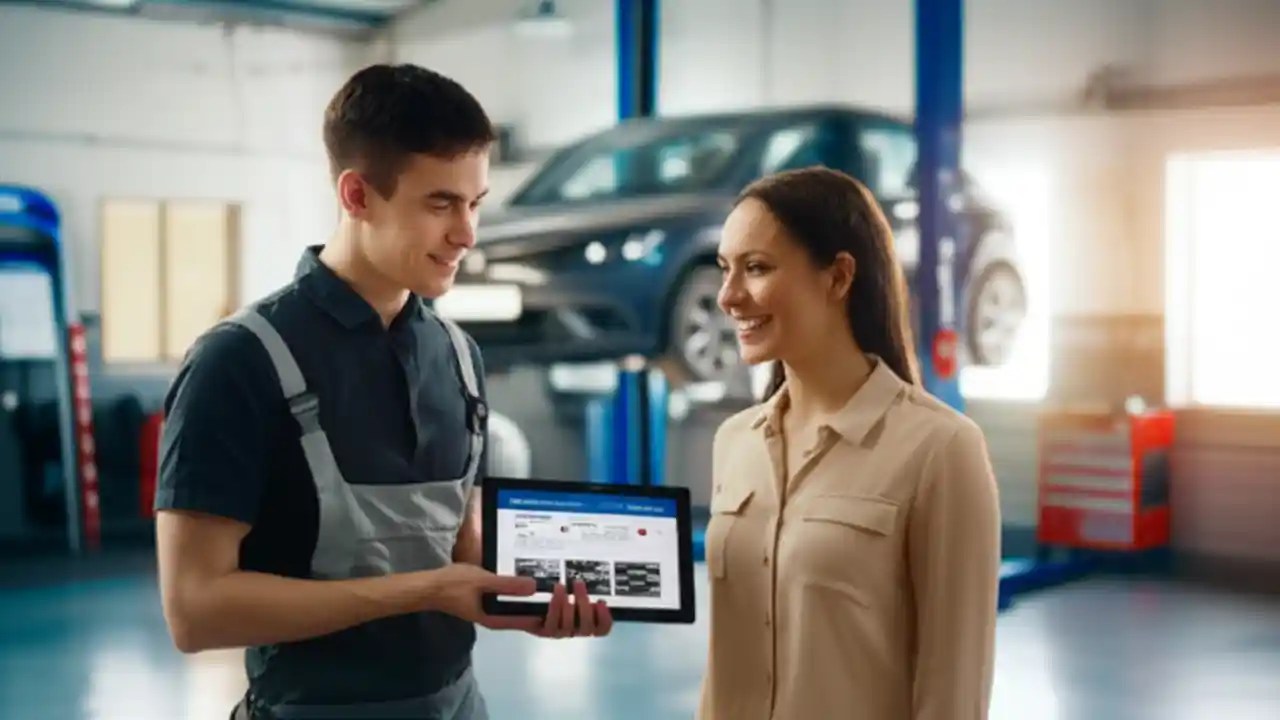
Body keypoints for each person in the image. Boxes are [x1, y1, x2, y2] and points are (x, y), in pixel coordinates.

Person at [153, 64, 612, 720]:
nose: (467, 234)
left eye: (476, 202)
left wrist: (536, 595)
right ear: (357, 196)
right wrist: (424, 591)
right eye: (440, 203)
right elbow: (195, 611)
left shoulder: (459, 356)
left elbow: (461, 547)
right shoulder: (240, 361)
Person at [698, 167, 1001, 719]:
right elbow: (722, 669)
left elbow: (954, 692)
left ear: (838, 278)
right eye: (724, 270)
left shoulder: (939, 449)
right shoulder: (734, 442)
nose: (728, 297)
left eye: (756, 268)